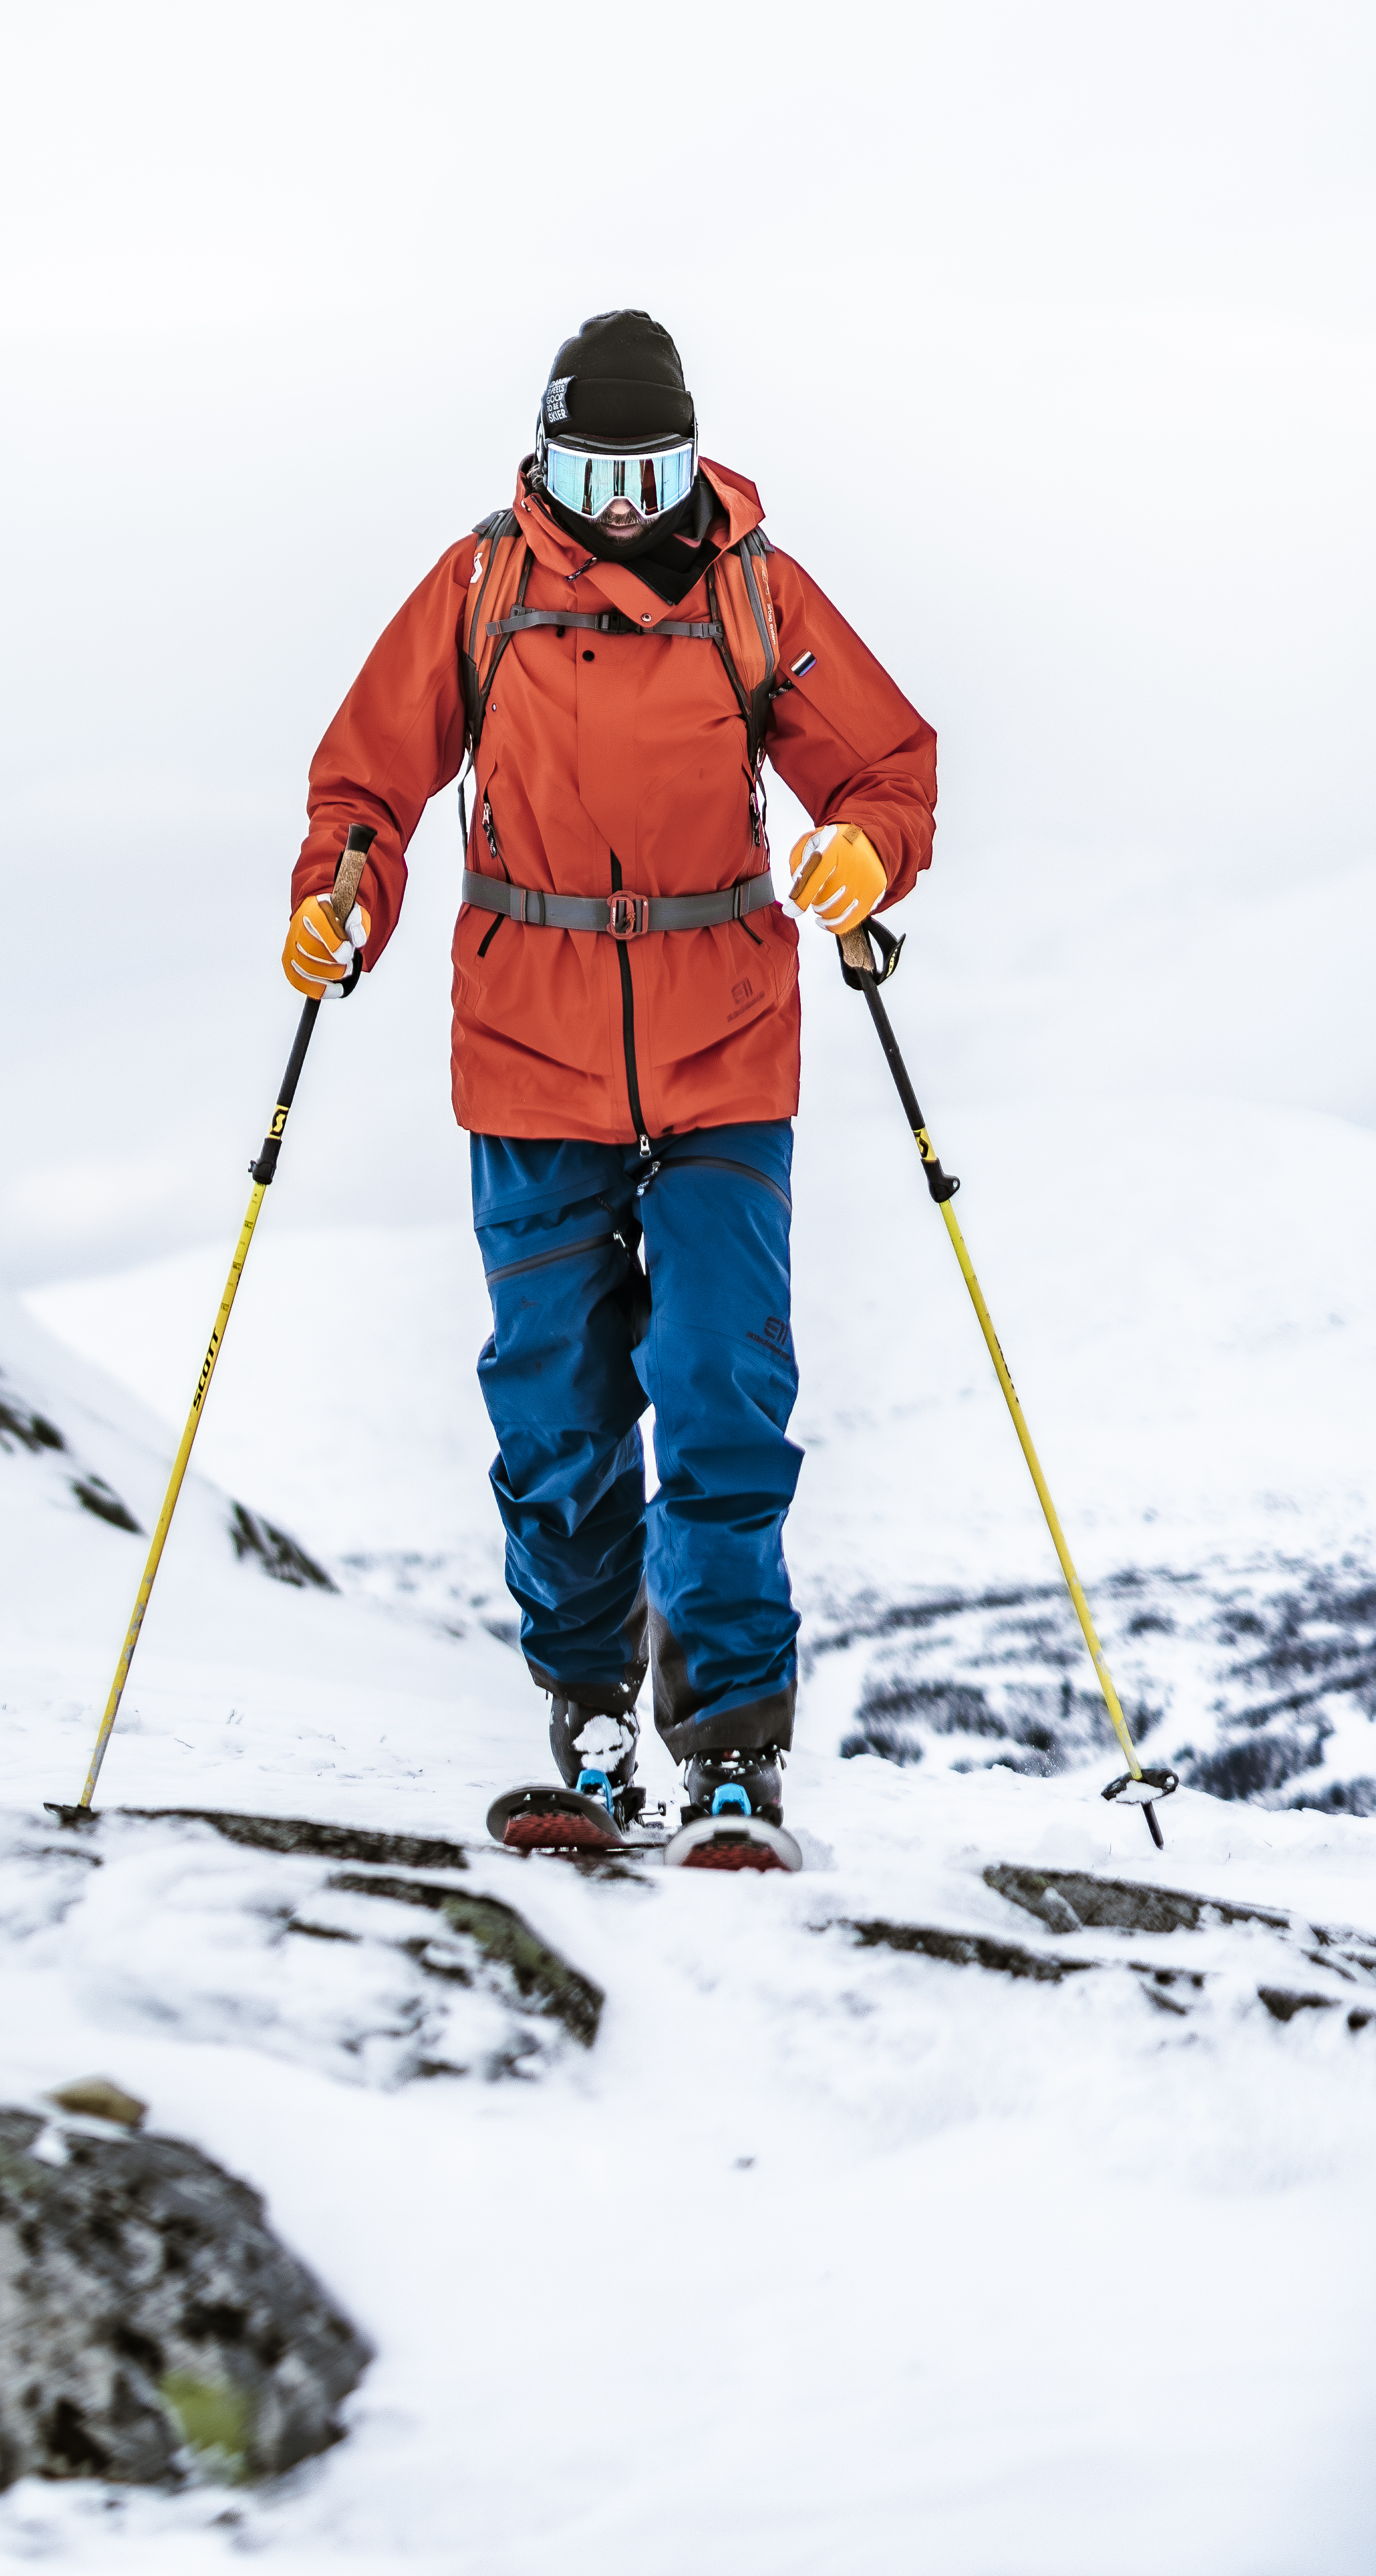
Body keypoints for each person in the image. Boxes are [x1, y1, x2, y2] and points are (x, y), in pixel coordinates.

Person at [281, 310, 936, 1869]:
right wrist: (339, 905)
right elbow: (367, 786)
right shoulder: (477, 592)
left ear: (689, 459)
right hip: (528, 1054)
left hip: (723, 1049)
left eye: (649, 473)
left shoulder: (757, 593)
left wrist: (862, 853)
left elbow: (886, 764)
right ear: (545, 454)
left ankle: (730, 1758)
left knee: (722, 1386)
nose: (624, 506)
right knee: (560, 1410)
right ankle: (588, 1727)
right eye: (594, 470)